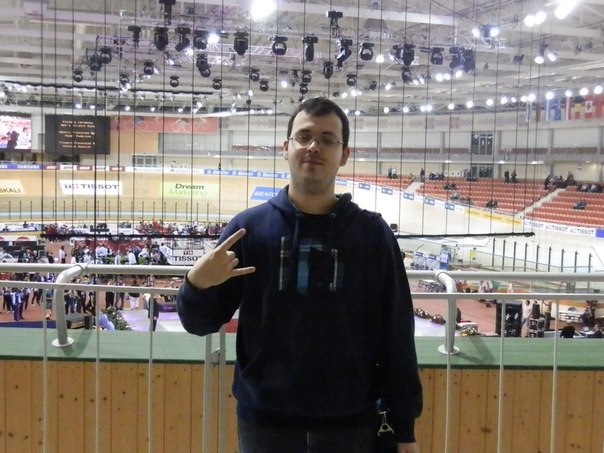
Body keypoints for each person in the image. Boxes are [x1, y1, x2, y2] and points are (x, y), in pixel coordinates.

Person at [177, 97, 422, 453]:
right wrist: (196, 284)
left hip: (352, 424)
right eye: (304, 137)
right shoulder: (247, 230)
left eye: (327, 139)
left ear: (344, 154)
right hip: (265, 425)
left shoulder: (372, 235)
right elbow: (199, 323)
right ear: (286, 147)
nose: (314, 147)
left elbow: (397, 334)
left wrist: (403, 426)